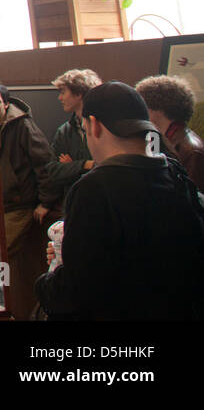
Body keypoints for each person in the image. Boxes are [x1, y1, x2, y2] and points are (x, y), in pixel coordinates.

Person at [36, 81, 204, 320]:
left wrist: (47, 282)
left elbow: (76, 291)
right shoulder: (175, 174)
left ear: (94, 125)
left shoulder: (94, 189)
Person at [0, 82, 58, 320]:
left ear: (6, 103)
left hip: (19, 204)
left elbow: (45, 165)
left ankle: (3, 309)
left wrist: (45, 202)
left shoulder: (23, 126)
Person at [43, 68, 101, 213]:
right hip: (72, 208)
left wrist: (71, 167)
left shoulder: (105, 128)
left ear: (79, 93)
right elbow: (53, 171)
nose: (59, 98)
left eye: (63, 92)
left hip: (99, 207)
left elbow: (103, 170)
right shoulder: (65, 131)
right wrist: (84, 165)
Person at [136, 74, 204, 189]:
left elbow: (193, 200)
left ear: (156, 108)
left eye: (141, 105)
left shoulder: (192, 151)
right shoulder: (156, 137)